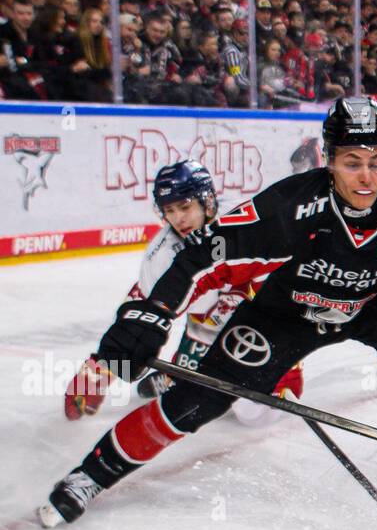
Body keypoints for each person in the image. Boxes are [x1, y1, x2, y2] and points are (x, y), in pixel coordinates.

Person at [40, 98, 377, 530]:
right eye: (352, 163)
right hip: (286, 311)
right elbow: (203, 257)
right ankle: (91, 475)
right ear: (329, 161)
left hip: (376, 299)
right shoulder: (288, 207)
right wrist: (150, 317)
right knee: (195, 401)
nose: (366, 177)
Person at [62, 159, 303, 421]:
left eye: (185, 207)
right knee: (217, 396)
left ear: (208, 201)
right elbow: (140, 315)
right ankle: (183, 370)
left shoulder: (245, 220)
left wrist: (286, 354)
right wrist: (104, 366)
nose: (178, 218)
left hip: (261, 323)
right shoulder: (163, 254)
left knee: (254, 415)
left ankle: (194, 372)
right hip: (206, 328)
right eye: (170, 210)